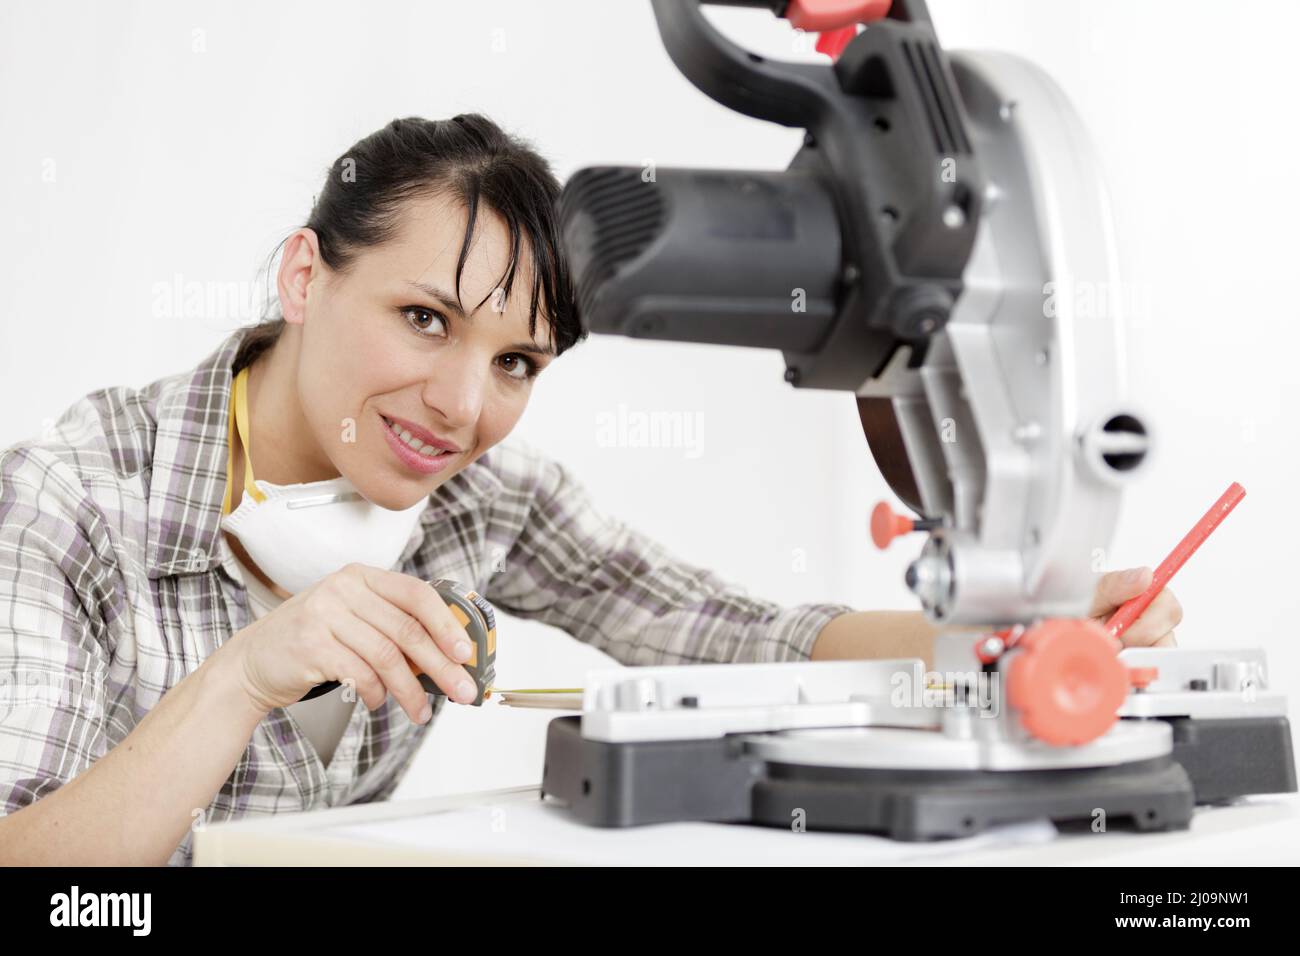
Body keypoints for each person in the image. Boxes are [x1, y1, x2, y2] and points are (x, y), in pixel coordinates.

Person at [0, 114, 1181, 866]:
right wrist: (241, 679)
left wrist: (1006, 630)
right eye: (425, 318)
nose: (464, 407)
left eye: (516, 362)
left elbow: (730, 632)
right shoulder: (75, 501)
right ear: (306, 274)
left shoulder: (482, 498)